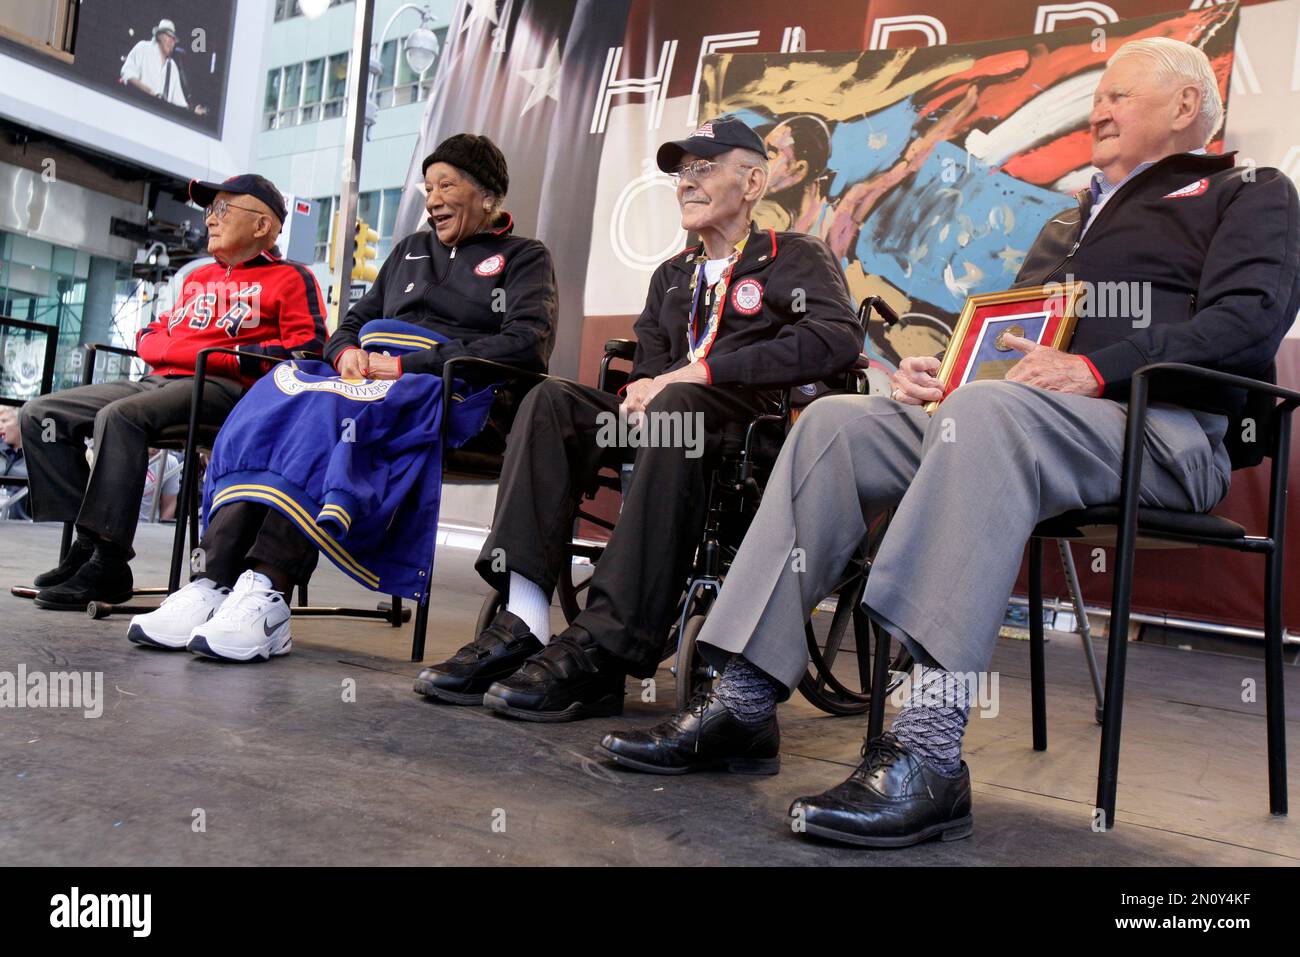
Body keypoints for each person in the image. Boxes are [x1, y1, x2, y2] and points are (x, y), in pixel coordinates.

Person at [597, 38, 1300, 847]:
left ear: (1186, 106)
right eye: (1096, 95)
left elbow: (1247, 324)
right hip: (1025, 420)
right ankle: (743, 701)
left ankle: (927, 749)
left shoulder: (1247, 190)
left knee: (988, 417)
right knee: (838, 425)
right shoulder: (1075, 216)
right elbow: (1011, 335)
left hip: (1165, 432)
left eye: (1117, 96)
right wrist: (954, 370)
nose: (1098, 108)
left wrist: (1093, 369)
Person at [414, 116, 863, 720]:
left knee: (676, 405)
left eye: (704, 168)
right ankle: (522, 617)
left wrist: (704, 372)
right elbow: (651, 367)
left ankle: (608, 645)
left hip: (750, 432)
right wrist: (642, 389)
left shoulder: (793, 257)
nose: (687, 183)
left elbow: (835, 340)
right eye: (682, 172)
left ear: (753, 181)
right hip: (667, 426)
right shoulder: (672, 277)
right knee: (551, 401)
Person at [127, 134, 559, 663]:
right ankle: (212, 582)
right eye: (428, 186)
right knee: (278, 394)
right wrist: (343, 354)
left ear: (488, 194)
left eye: (447, 184)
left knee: (326, 412)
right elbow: (351, 322)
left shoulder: (524, 257)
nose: (432, 198)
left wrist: (409, 363)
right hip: (367, 382)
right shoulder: (409, 251)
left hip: (453, 396)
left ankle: (267, 589)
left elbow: (526, 345)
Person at [20, 174, 328, 610]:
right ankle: (87, 544)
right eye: (209, 210)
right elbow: (150, 335)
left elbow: (309, 352)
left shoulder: (291, 278)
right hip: (161, 381)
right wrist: (183, 348)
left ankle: (109, 561)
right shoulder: (196, 277)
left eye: (223, 209)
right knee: (41, 415)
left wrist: (218, 356)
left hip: (226, 390)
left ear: (263, 226)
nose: (210, 220)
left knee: (121, 417)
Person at [120, 19, 203, 114]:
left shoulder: (172, 67)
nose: (172, 42)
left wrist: (193, 111)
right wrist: (149, 92)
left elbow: (179, 102)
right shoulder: (143, 48)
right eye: (169, 36)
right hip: (136, 108)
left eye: (174, 39)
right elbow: (127, 73)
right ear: (159, 35)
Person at [0, 406, 29, 520]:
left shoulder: (37, 457)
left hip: (22, 528)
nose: (0, 425)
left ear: (21, 423)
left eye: (4, 421)